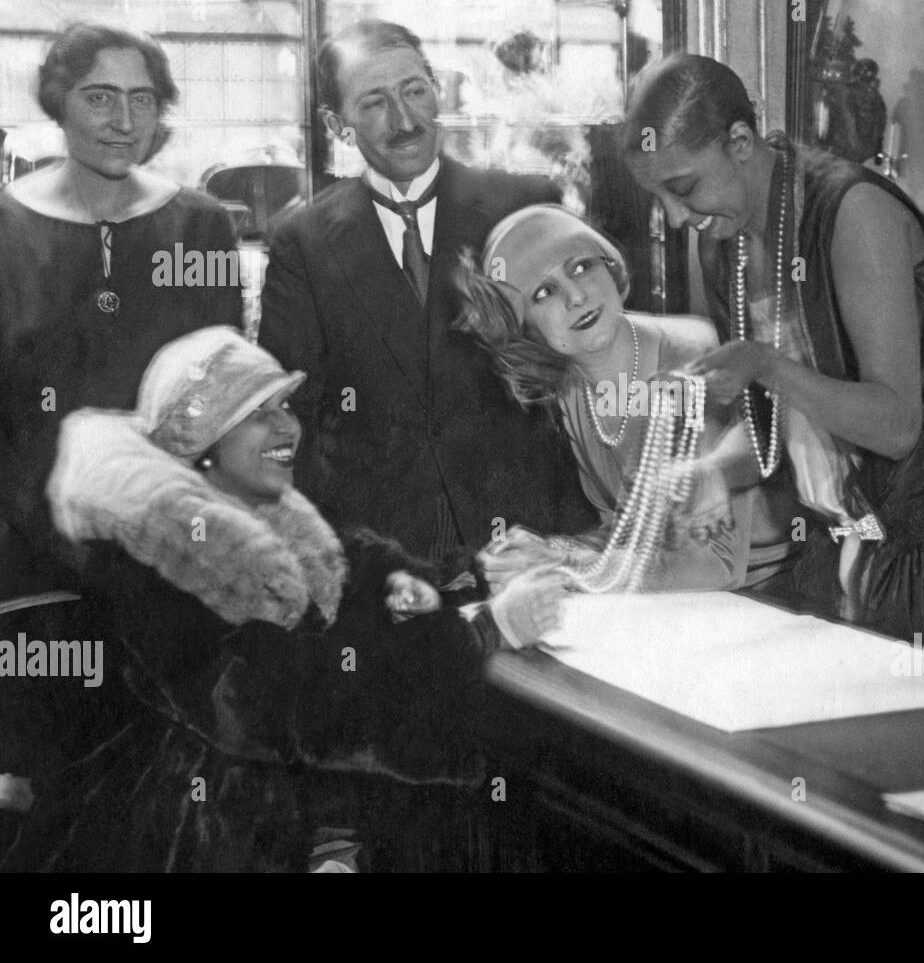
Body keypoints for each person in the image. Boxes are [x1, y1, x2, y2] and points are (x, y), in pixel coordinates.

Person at [0, 327, 566, 873]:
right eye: (258, 413)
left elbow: (352, 566)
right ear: (201, 443)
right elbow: (281, 704)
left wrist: (463, 576)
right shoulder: (164, 559)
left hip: (295, 791)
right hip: (215, 817)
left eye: (285, 406)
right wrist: (479, 633)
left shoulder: (259, 510)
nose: (287, 427)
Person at [622, 54, 924, 684]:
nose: (676, 217)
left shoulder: (853, 211)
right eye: (658, 199)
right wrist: (705, 473)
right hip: (842, 549)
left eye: (683, 188)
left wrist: (762, 364)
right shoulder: (722, 243)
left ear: (740, 142)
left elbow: (894, 425)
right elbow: (784, 444)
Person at [259, 19, 594, 572]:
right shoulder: (305, 243)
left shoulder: (524, 203)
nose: (405, 119)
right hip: (386, 551)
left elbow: (579, 367)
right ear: (336, 125)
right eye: (374, 103)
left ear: (437, 89)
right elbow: (295, 411)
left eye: (415, 90)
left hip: (529, 535)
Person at [0, 23, 242, 600]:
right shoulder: (7, 229)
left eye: (143, 100)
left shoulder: (200, 226)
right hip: (30, 549)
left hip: (172, 553)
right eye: (99, 97)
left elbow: (225, 391)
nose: (125, 122)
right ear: (59, 103)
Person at [454, 204, 805, 595]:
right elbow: (628, 536)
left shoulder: (692, 360)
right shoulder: (572, 387)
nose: (576, 296)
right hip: (672, 604)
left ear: (610, 266)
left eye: (582, 267)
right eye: (544, 293)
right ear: (526, 328)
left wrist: (564, 562)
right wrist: (542, 553)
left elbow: (712, 566)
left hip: (775, 595)